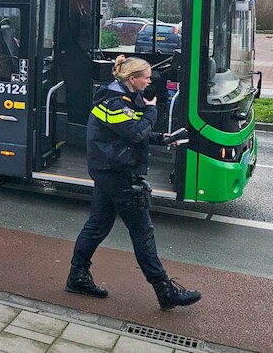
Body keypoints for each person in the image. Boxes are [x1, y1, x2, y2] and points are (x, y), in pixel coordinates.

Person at [67, 55, 202, 311]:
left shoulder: (118, 98)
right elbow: (134, 131)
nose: (149, 81)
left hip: (109, 169)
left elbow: (129, 133)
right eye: (146, 77)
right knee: (142, 232)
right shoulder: (114, 102)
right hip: (116, 173)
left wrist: (163, 138)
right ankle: (165, 291)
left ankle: (78, 277)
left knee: (98, 225)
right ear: (132, 79)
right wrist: (152, 110)